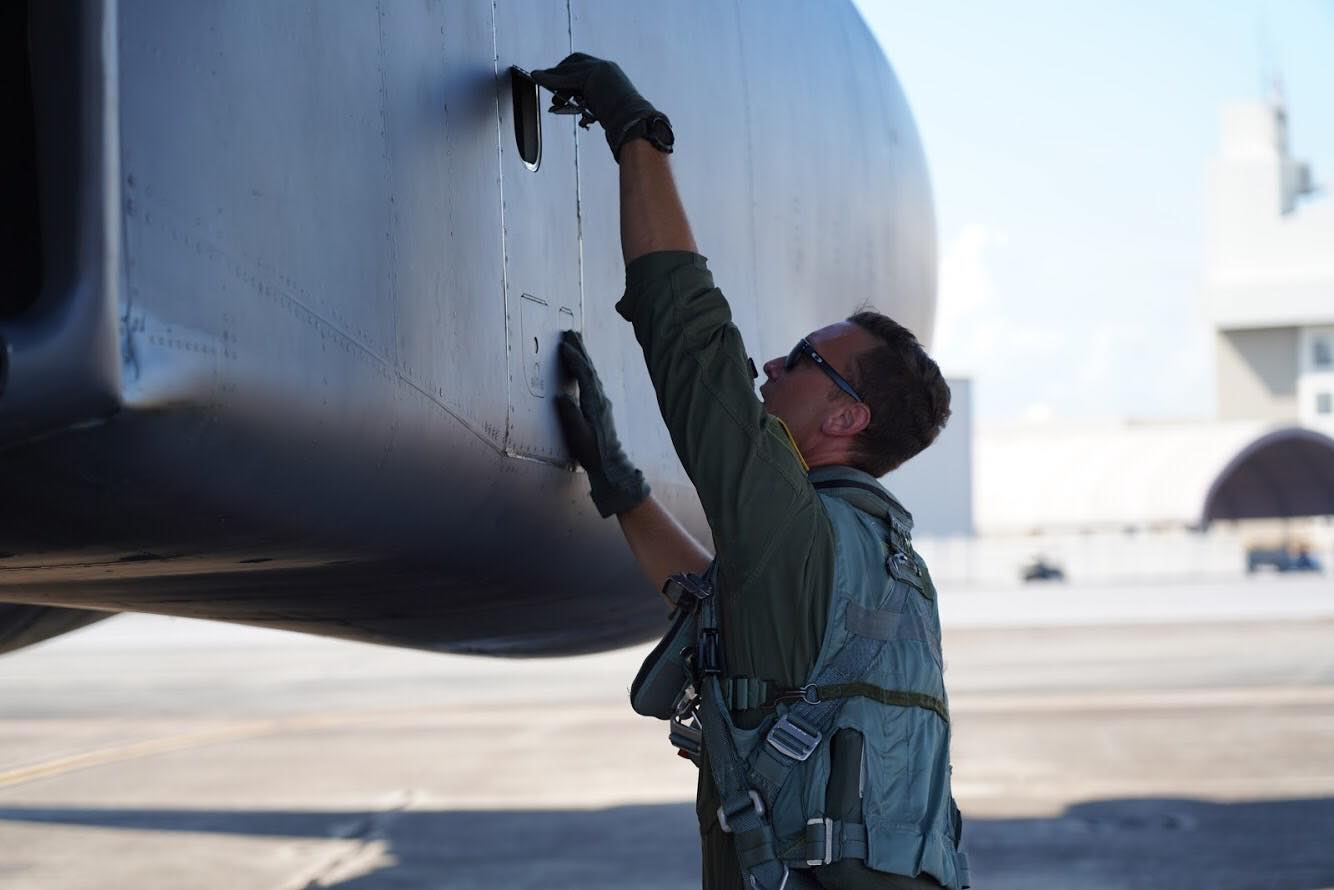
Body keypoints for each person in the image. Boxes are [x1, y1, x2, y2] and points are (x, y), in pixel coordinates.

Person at [531, 54, 966, 890]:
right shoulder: (886, 560)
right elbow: (708, 600)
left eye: (805, 360)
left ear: (844, 420)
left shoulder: (796, 525)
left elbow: (694, 342)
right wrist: (621, 485)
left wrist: (637, 135)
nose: (773, 363)